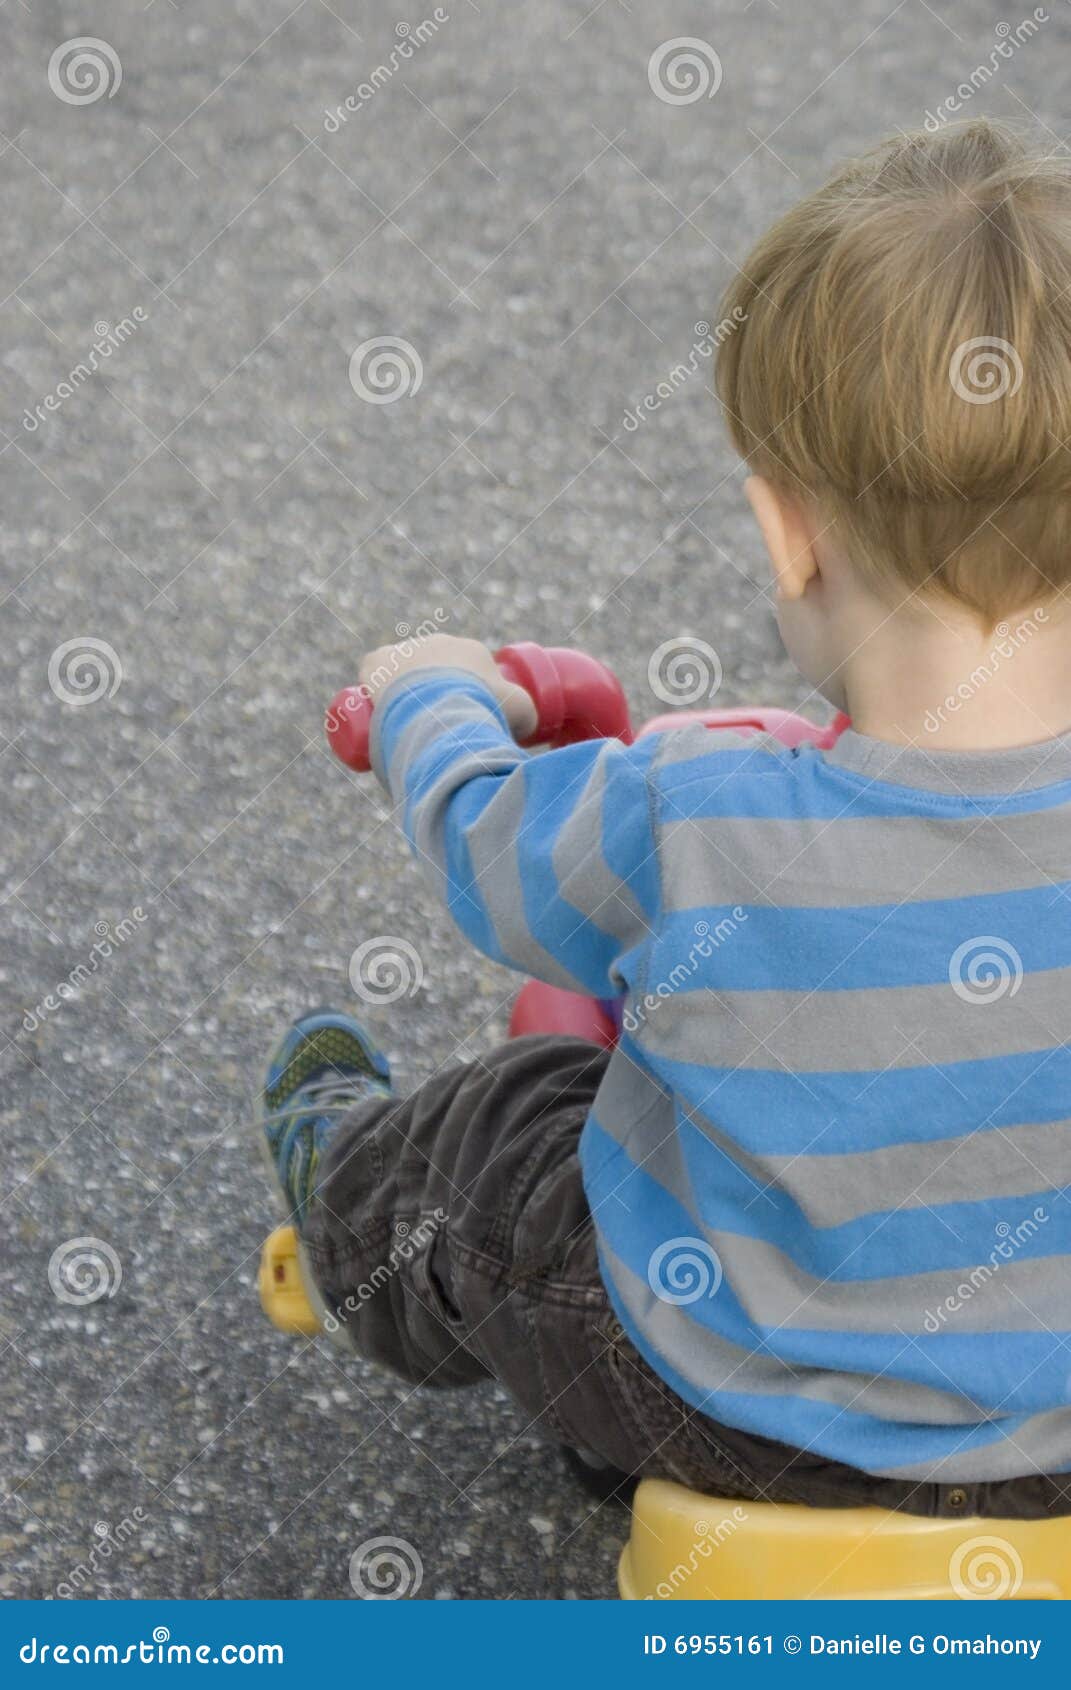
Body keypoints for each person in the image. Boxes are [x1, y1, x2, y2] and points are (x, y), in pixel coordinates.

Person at [260, 120, 1071, 1517]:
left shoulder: (689, 818)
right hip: (1049, 1454)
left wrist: (427, 700)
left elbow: (481, 839)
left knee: (504, 1135)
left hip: (728, 1403)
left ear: (787, 534)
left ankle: (342, 1192)